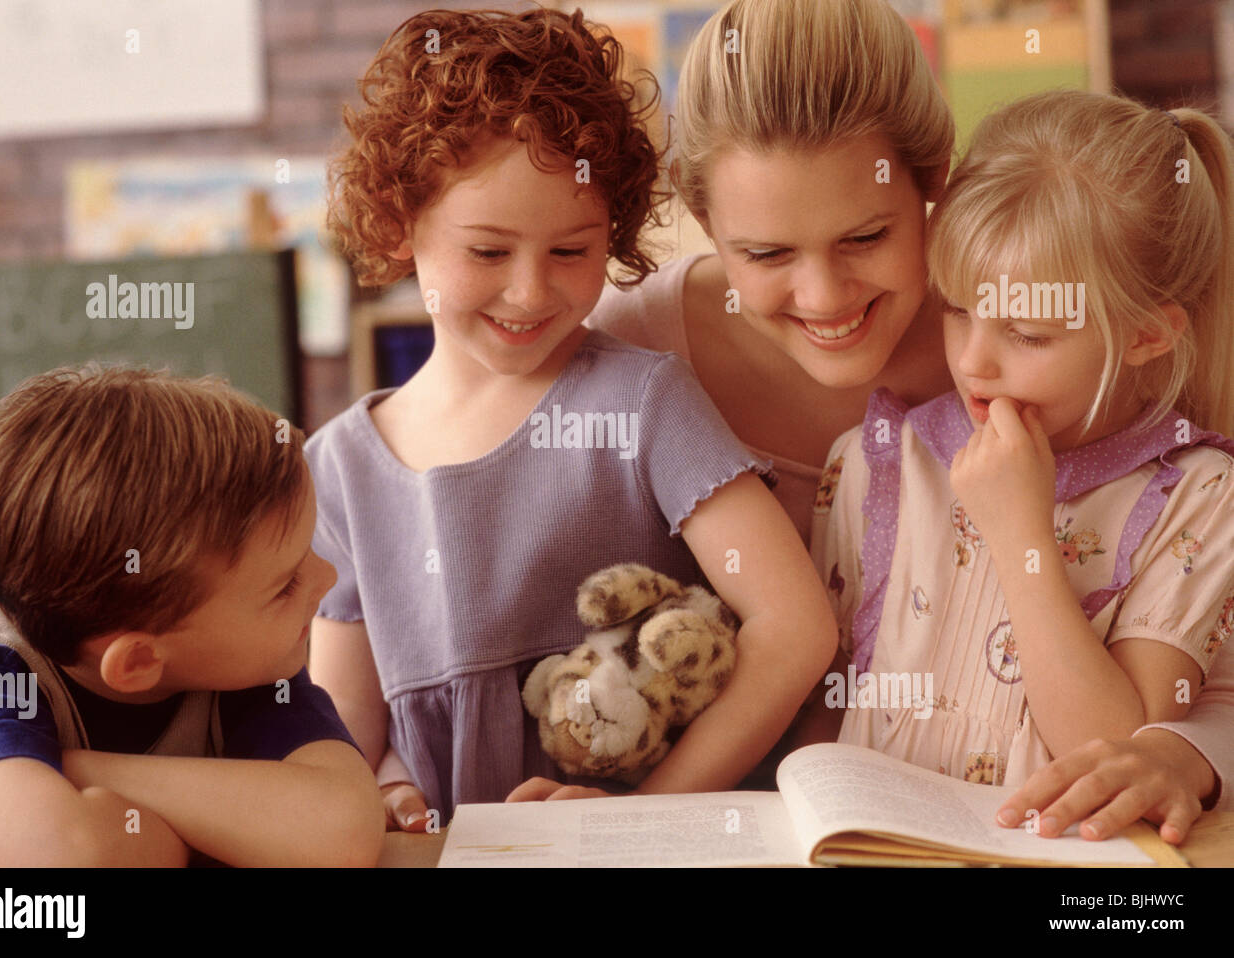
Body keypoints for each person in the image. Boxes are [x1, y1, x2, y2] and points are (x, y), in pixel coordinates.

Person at [586, 0, 1234, 843]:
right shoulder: (848, 444)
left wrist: (1192, 755)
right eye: (767, 254)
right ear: (706, 226)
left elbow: (1170, 717)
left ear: (935, 186)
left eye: (864, 236)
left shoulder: (1126, 388)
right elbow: (830, 699)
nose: (823, 298)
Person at [307, 6, 834, 828]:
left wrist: (643, 819)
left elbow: (795, 628)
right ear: (400, 222)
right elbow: (339, 736)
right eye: (488, 251)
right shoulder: (339, 468)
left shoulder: (646, 400)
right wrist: (385, 786)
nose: (530, 292)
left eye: (571, 251)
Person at [812, 89, 1234, 825]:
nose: (974, 361)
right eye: (958, 308)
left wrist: (1021, 538)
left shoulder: (1199, 497)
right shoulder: (876, 462)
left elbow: (1117, 751)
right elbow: (818, 725)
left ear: (1146, 336)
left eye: (1028, 334)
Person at [0, 365, 385, 867]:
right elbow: (67, 861)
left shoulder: (249, 665)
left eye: (309, 550)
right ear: (139, 661)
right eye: (283, 587)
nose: (327, 579)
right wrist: (211, 838)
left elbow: (342, 833)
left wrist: (75, 773)